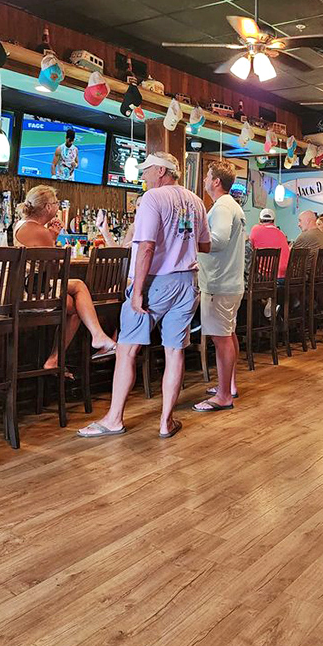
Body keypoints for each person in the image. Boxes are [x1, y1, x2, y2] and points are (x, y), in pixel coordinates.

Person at [78, 152, 210, 440]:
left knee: (127, 349)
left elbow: (147, 247)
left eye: (147, 170)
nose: (143, 176)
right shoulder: (196, 201)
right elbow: (205, 245)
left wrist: (137, 291)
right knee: (174, 351)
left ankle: (114, 419)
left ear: (161, 171)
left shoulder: (153, 198)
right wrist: (179, 244)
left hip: (155, 283)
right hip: (187, 282)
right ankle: (166, 422)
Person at [14, 185, 117, 374]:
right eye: (56, 203)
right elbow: (54, 271)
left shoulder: (21, 225)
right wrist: (52, 238)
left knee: (77, 307)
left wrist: (51, 237)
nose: (58, 207)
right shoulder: (40, 231)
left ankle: (55, 359)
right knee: (79, 286)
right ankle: (96, 337)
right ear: (47, 207)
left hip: (26, 287)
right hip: (33, 291)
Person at [194, 161, 245, 412]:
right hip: (230, 281)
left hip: (219, 282)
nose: (205, 179)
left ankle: (224, 396)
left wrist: (190, 241)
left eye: (207, 176)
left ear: (216, 181)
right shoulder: (231, 205)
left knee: (221, 338)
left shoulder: (223, 206)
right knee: (228, 334)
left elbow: (219, 240)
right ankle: (229, 385)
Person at [249, 208, 289, 278]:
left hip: (266, 277)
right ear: (273, 221)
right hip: (284, 276)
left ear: (259, 220)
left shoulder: (255, 229)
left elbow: (250, 247)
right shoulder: (282, 234)